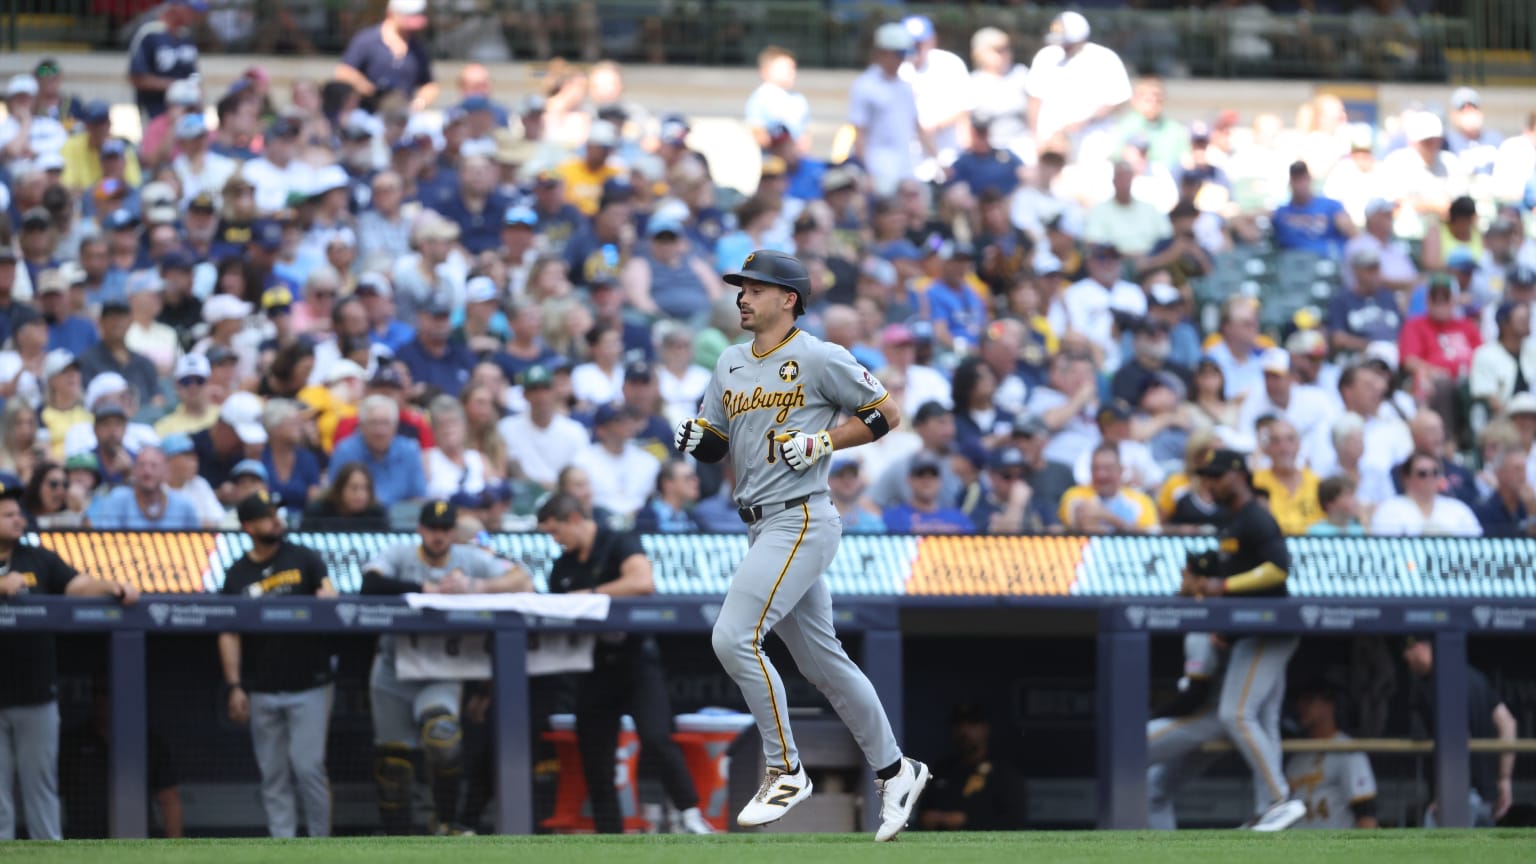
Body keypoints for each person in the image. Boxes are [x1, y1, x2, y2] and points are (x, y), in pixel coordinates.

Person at [673, 249, 927, 839]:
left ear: (788, 298)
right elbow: (717, 444)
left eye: (755, 288)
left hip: (802, 517)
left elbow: (887, 413)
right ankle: (896, 770)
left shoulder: (818, 355)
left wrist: (823, 443)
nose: (742, 296)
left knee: (733, 636)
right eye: (740, 287)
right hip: (762, 522)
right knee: (823, 663)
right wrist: (697, 439)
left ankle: (785, 769)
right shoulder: (731, 361)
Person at [535, 493, 713, 834]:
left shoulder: (617, 540)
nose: (554, 540)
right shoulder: (563, 567)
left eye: (556, 531)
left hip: (636, 660)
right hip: (593, 666)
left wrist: (590, 596)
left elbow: (642, 582)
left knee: (657, 737)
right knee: (595, 756)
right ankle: (610, 834)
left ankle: (690, 814)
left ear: (573, 519)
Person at [360, 500, 530, 835]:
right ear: (421, 529)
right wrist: (424, 589)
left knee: (443, 739)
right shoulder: (400, 554)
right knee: (393, 766)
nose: (438, 536)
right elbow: (370, 584)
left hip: (441, 670)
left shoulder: (468, 558)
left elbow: (523, 578)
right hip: (394, 667)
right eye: (432, 528)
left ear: (452, 532)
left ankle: (446, 823)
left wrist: (477, 587)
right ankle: (397, 842)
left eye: (444, 529)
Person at [1161, 449, 1305, 832]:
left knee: (1235, 713)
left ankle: (1280, 798)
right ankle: (1269, 807)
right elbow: (1229, 565)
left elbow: (1277, 569)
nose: (1211, 482)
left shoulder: (1256, 516)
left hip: (1271, 627)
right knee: (1264, 719)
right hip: (1249, 630)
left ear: (1239, 475)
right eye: (1207, 476)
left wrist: (1222, 585)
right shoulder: (1232, 522)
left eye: (1218, 474)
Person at [0, 480, 138, 841]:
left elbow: (76, 585)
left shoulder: (37, 556)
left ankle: (50, 855)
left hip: (35, 693)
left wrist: (110, 586)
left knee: (41, 786)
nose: (18, 519)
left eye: (18, 512)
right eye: (8, 514)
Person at [218, 492, 337, 838]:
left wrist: (328, 599)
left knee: (308, 768)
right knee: (272, 773)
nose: (276, 520)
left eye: (276, 513)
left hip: (309, 682)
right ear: (248, 526)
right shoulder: (237, 574)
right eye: (267, 516)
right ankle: (281, 847)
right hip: (262, 686)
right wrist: (234, 685)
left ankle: (320, 847)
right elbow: (228, 632)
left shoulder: (304, 557)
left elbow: (328, 594)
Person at [1402, 637, 1517, 827]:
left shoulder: (1440, 682)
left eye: (1408, 650)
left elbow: (1459, 736)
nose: (1405, 657)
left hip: (1459, 796)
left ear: (1422, 647)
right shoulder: (1474, 677)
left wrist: (1446, 794)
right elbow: (1507, 724)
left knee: (1439, 855)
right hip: (1487, 797)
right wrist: (1505, 779)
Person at [1285, 682, 1379, 830]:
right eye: (1300, 701)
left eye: (1310, 700)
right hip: (1299, 847)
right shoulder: (1296, 756)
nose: (1302, 706)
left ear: (1329, 705)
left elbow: (1365, 811)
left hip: (1336, 847)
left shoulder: (1347, 750)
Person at [917, 704, 1013, 831]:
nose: (964, 731)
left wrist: (967, 820)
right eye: (959, 725)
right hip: (940, 847)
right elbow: (924, 814)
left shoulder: (1003, 772)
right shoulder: (942, 769)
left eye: (972, 724)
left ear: (985, 729)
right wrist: (936, 818)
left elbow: (1012, 820)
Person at [334, 0, 437, 114]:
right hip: (368, 112)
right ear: (391, 14)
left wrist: (418, 104)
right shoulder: (367, 40)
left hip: (402, 116)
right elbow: (343, 72)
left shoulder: (417, 48)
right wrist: (371, 91)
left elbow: (429, 84)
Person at [1370, 450, 1482, 537]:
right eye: (1422, 474)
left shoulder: (1458, 509)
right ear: (1406, 478)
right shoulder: (1389, 510)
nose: (1430, 478)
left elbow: (1476, 547)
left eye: (1434, 472)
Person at [84, 445, 200, 529]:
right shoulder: (117, 499)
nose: (147, 472)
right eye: (142, 465)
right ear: (134, 470)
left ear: (165, 471)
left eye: (154, 466)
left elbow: (196, 547)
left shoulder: (184, 505)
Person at [127, 0, 203, 119]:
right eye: (190, 10)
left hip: (186, 115)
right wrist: (176, 85)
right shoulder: (149, 32)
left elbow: (194, 77)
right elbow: (136, 77)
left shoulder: (186, 36)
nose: (194, 15)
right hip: (155, 111)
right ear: (176, 7)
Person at [301, 462, 389, 531]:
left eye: (365, 488)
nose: (360, 494)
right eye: (354, 488)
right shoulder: (317, 513)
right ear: (340, 489)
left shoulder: (377, 515)